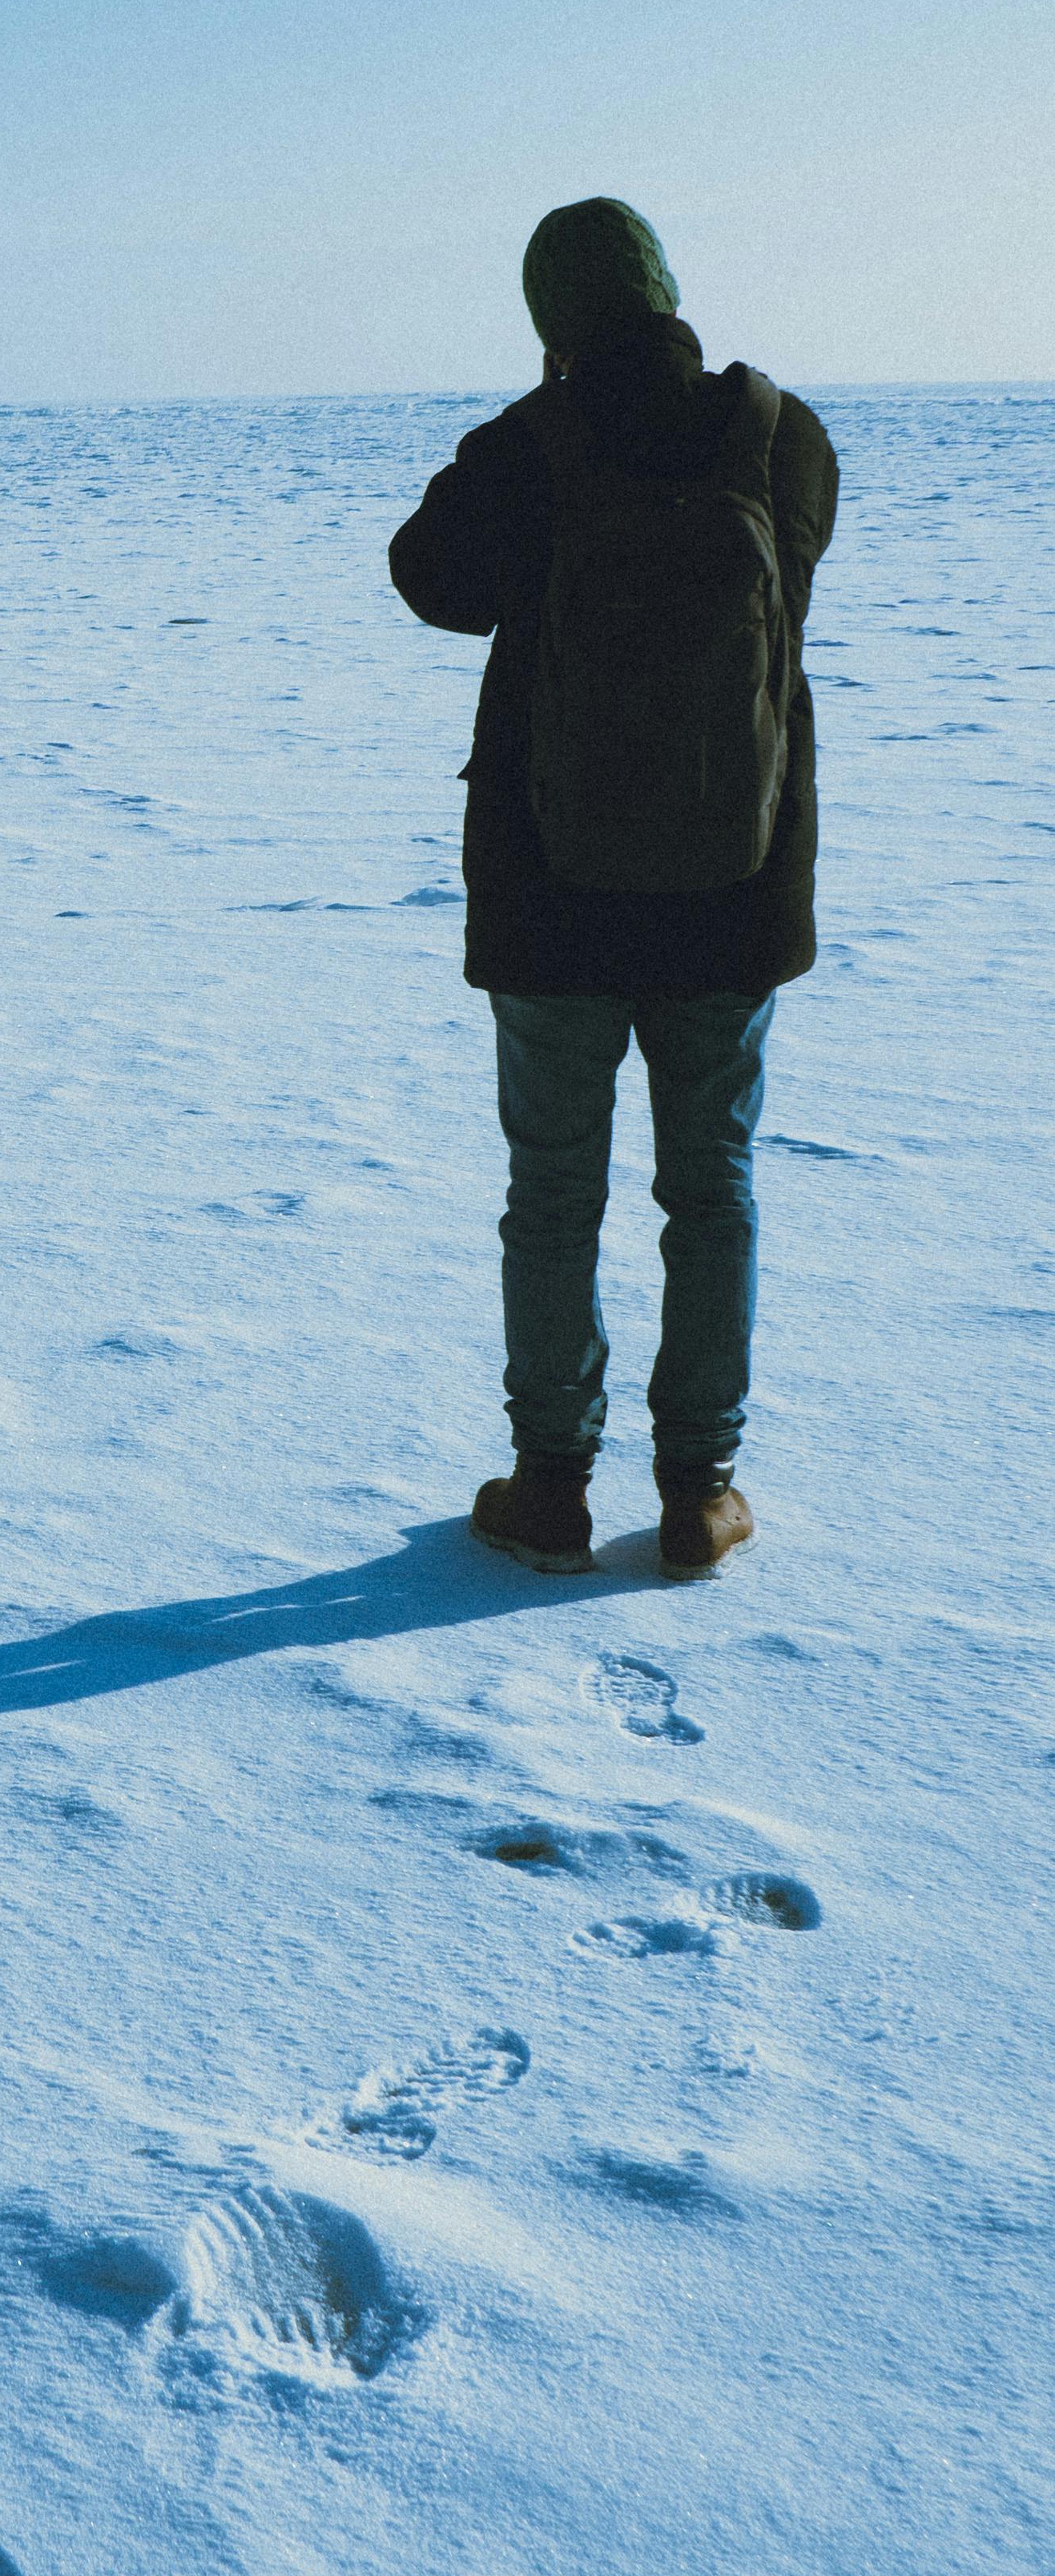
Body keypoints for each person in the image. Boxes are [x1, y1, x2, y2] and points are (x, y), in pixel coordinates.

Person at [389, 199, 839, 1578]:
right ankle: (701, 1491)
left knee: (553, 1191)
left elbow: (425, 581)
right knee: (711, 1189)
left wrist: (535, 435)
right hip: (731, 886)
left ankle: (550, 1486)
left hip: (552, 894)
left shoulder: (525, 451)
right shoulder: (780, 436)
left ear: (552, 322)